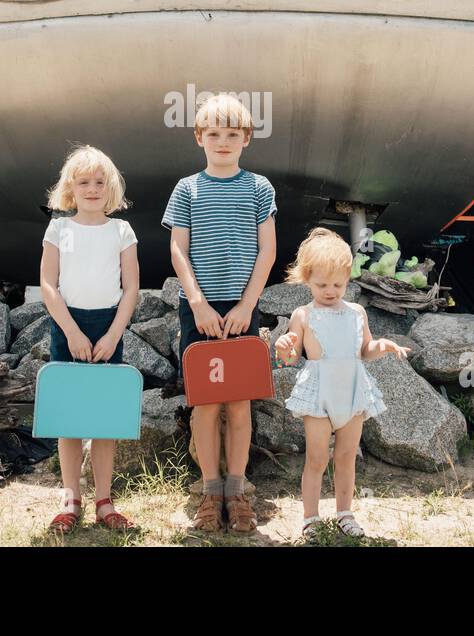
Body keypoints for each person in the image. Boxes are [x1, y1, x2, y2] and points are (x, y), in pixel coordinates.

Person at [162, 92, 276, 533]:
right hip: (200, 311)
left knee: (240, 403)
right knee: (206, 404)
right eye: (214, 134)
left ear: (246, 138)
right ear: (199, 138)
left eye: (232, 134)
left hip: (243, 310)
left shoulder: (258, 188)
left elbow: (267, 251)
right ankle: (210, 493)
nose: (223, 141)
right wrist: (198, 303)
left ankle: (237, 490)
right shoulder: (187, 188)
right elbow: (178, 249)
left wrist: (248, 305)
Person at [275, 227, 410, 539]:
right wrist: (284, 345)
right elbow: (291, 357)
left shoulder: (356, 312)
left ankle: (345, 513)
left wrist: (383, 346)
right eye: (322, 284)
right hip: (319, 392)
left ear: (348, 278)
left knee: (347, 456)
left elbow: (365, 350)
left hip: (352, 390)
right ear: (306, 278)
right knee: (317, 458)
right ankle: (311, 517)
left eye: (338, 283)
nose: (331, 290)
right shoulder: (304, 315)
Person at [39, 145, 140, 533]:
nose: (92, 188)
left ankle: (104, 500)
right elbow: (49, 285)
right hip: (69, 326)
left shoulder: (122, 231)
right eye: (84, 182)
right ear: (71, 188)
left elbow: (130, 288)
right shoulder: (59, 228)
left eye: (100, 182)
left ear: (110, 187)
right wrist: (71, 331)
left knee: (104, 420)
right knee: (70, 418)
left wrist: (115, 333)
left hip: (108, 328)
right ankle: (70, 498)